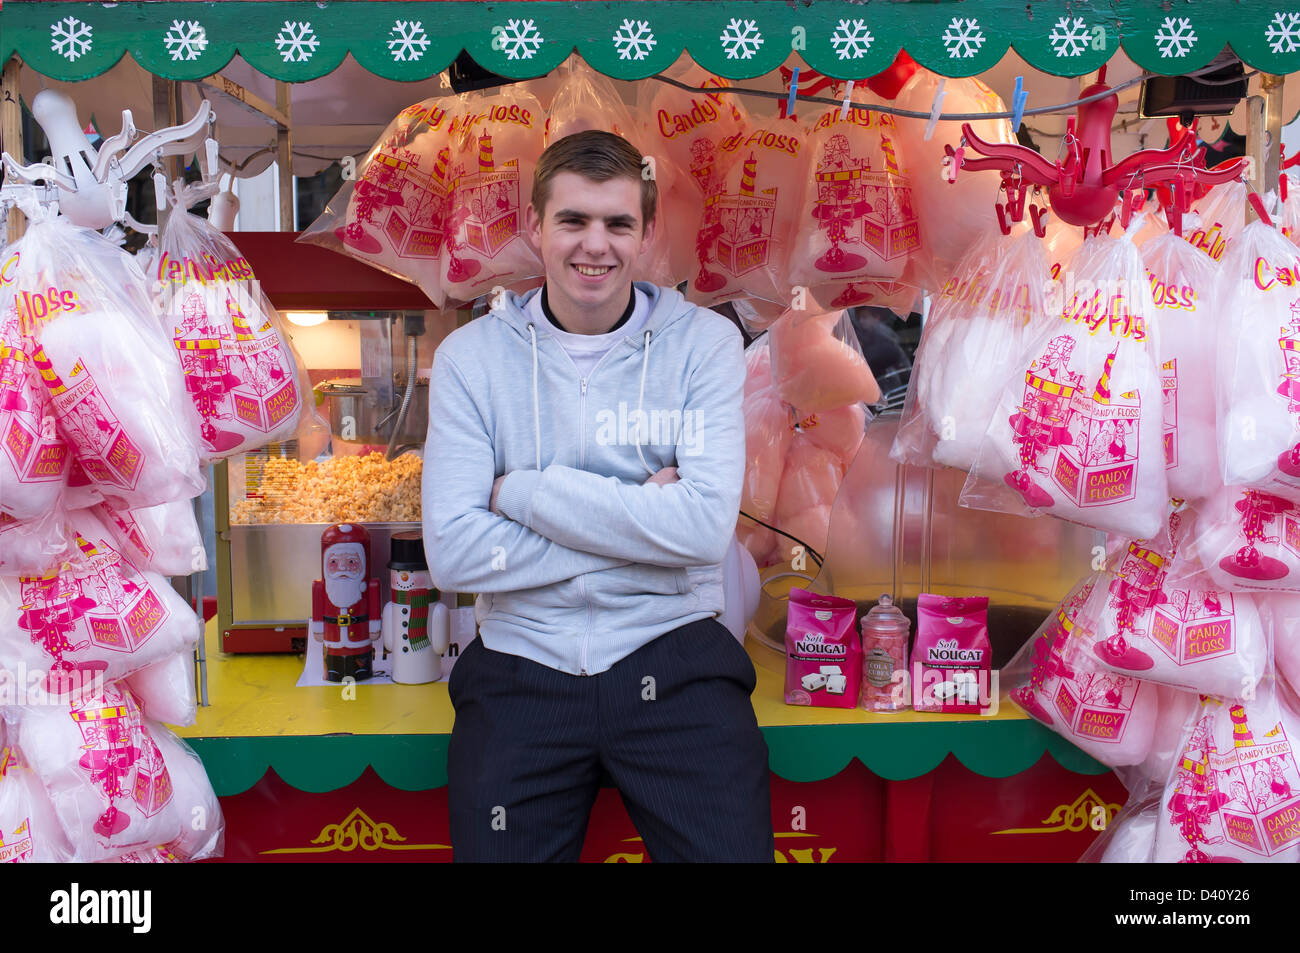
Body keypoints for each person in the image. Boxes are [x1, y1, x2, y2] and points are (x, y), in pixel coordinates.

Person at [423, 129, 773, 862]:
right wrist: (645, 526)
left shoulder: (704, 344)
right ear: (535, 229)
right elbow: (454, 553)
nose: (596, 245)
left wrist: (520, 492)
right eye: (573, 220)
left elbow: (705, 529)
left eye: (618, 223)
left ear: (647, 235)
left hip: (673, 657)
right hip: (522, 666)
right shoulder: (469, 359)